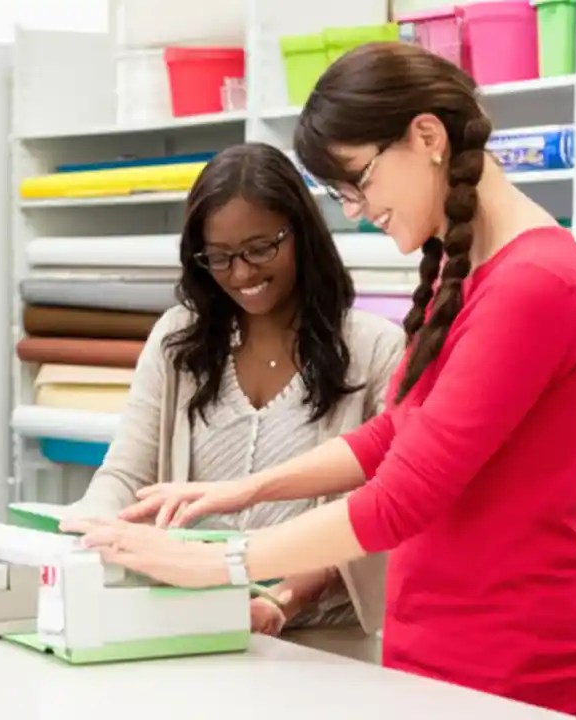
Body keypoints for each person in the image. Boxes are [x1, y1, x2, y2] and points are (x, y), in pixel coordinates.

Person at [62, 42, 576, 719]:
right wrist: (242, 489)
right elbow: (395, 435)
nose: (354, 209)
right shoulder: (467, 267)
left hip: (511, 672)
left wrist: (217, 564)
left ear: (427, 137)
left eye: (358, 181)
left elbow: (401, 500)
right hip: (429, 660)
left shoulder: (534, 287)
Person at [63, 143, 404, 638]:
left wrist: (282, 599)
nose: (242, 274)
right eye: (219, 258)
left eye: (261, 249)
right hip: (191, 623)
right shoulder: (179, 340)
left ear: (301, 235)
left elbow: (372, 517)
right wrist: (87, 531)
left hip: (325, 642)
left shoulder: (374, 349)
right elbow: (125, 474)